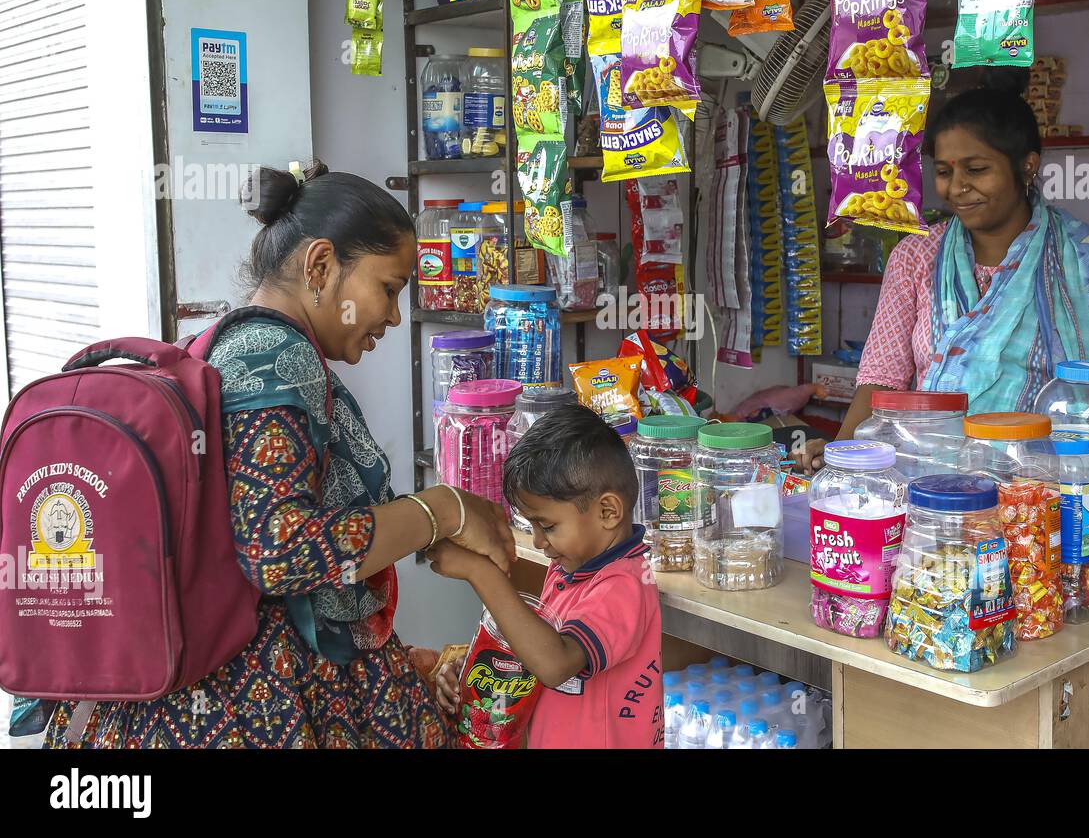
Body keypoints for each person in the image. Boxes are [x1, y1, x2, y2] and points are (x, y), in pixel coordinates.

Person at [35, 161, 515, 748]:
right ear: (319, 265)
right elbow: (282, 553)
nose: (393, 316)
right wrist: (440, 509)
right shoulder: (275, 359)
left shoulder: (219, 343)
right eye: (387, 288)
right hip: (254, 698)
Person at [799, 84, 1089, 471]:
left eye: (977, 169)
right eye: (945, 172)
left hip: (1046, 492)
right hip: (930, 485)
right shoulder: (916, 257)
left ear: (1027, 165)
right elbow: (882, 378)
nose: (957, 188)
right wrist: (844, 456)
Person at [428, 406, 664, 749]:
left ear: (608, 512)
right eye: (532, 526)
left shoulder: (623, 585)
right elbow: (537, 653)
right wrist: (475, 674)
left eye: (548, 526)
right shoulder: (569, 568)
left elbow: (556, 664)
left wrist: (480, 573)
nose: (538, 542)